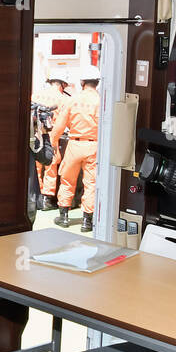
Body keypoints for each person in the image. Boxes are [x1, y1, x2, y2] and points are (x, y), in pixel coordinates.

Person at [48, 65, 100, 233]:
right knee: (91, 183)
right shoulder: (101, 100)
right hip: (94, 145)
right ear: (97, 83)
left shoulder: (72, 100)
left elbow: (60, 125)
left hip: (75, 144)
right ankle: (87, 221)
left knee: (67, 179)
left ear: (82, 82)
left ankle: (63, 217)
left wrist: (52, 142)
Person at [33, 70, 72, 210]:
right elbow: (63, 123)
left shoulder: (36, 94)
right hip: (50, 135)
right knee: (51, 165)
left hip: (35, 135)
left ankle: (35, 197)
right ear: (63, 84)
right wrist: (53, 141)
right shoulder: (64, 99)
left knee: (36, 165)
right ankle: (46, 199)